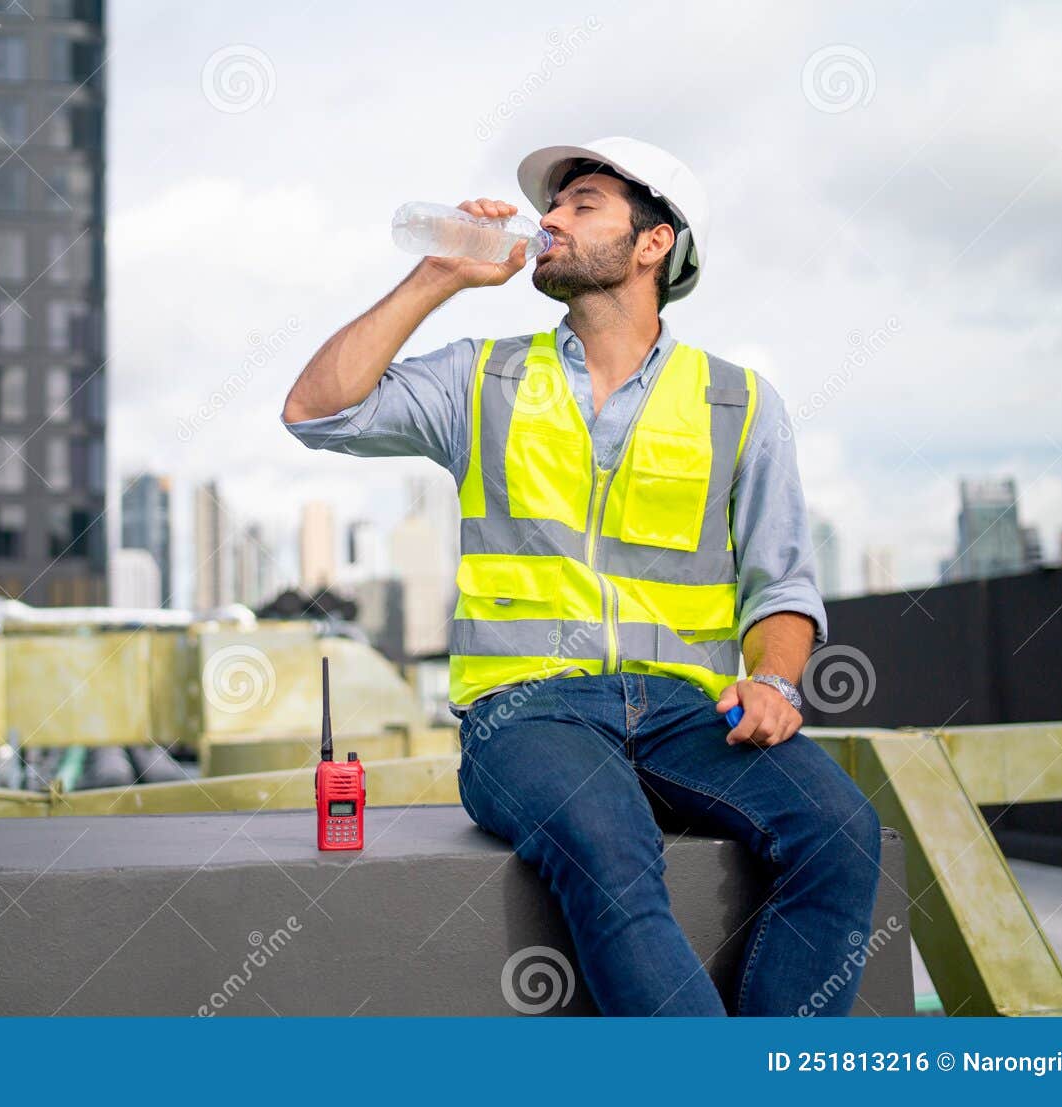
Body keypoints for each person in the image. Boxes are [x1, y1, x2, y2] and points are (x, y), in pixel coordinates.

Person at [280, 137, 882, 1016]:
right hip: (528, 713)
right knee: (609, 843)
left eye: (582, 202)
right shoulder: (483, 376)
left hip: (691, 714)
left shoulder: (738, 402)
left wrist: (776, 681)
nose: (549, 219)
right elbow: (315, 410)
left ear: (653, 244)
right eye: (551, 205)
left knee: (843, 833)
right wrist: (437, 277)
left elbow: (781, 585)